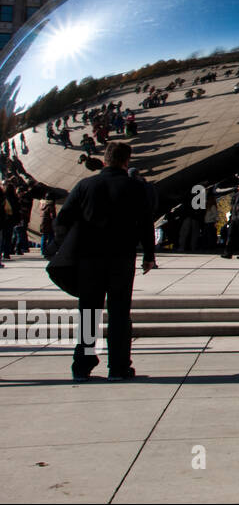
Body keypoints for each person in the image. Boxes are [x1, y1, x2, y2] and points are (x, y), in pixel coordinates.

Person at [56, 142, 157, 381]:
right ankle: (119, 367)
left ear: (105, 159)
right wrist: (149, 255)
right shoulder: (136, 187)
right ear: (126, 161)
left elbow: (63, 220)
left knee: (89, 311)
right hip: (121, 258)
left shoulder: (85, 185)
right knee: (120, 313)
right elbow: (145, 223)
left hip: (89, 259)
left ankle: (82, 365)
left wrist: (68, 248)